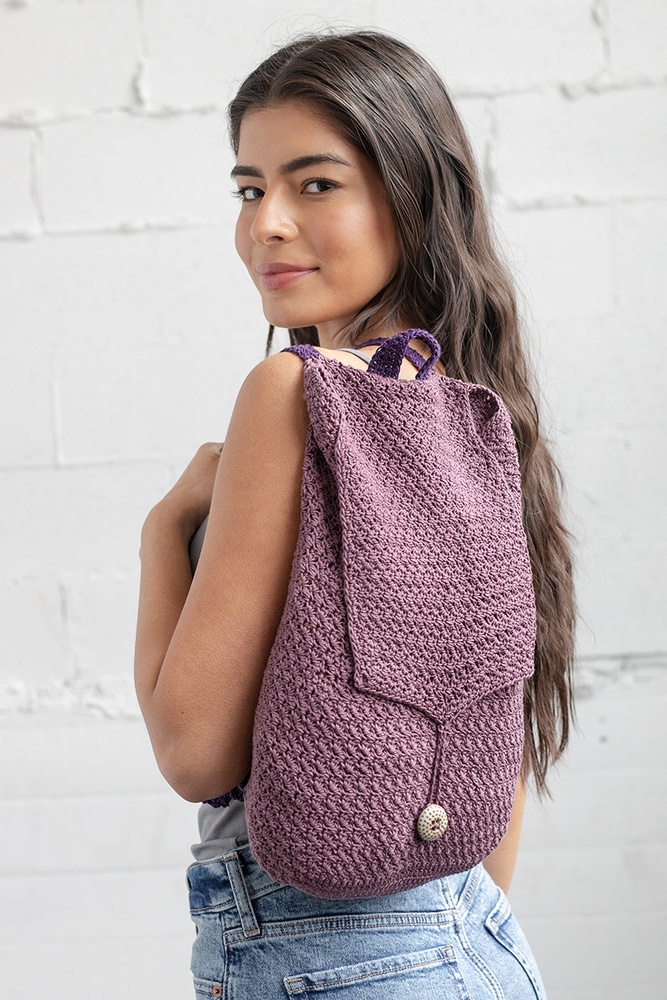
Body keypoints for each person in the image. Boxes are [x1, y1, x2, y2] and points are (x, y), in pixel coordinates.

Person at [134, 29, 575, 999]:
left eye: (316, 184)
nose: (268, 224)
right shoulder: (476, 408)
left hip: (319, 952)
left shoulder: (292, 391)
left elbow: (192, 753)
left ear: (410, 194)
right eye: (249, 189)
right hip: (472, 939)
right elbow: (493, 774)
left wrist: (163, 533)